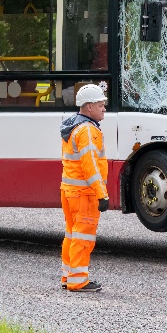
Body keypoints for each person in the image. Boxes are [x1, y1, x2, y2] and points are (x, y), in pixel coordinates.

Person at [60, 83, 109, 292]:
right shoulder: (88, 131)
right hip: (84, 194)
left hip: (70, 191)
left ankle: (68, 276)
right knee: (83, 237)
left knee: (72, 235)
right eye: (101, 105)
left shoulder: (73, 126)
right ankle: (78, 280)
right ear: (89, 107)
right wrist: (102, 194)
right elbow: (90, 167)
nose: (104, 108)